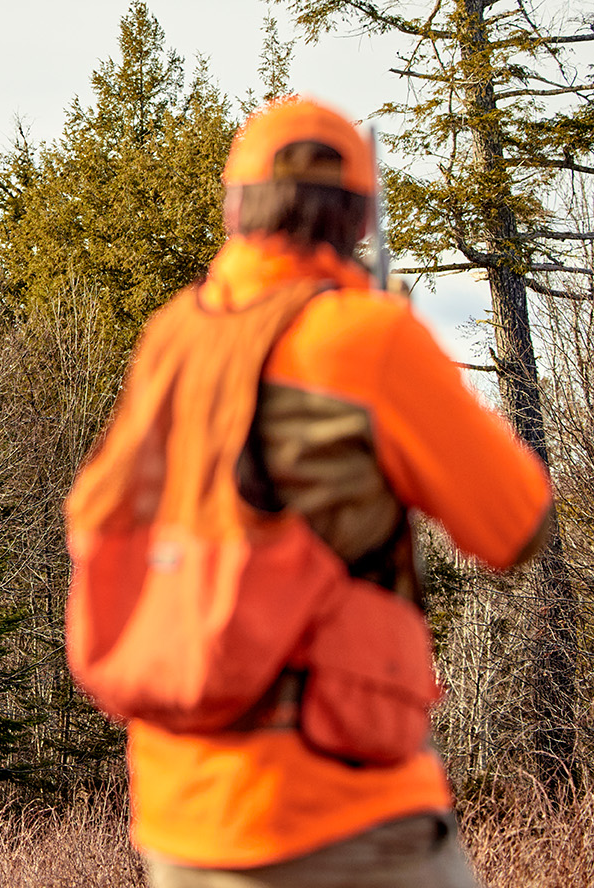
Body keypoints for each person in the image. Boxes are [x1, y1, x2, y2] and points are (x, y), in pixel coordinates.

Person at [64, 96, 553, 887]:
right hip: (341, 807)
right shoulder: (369, 336)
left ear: (234, 209)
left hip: (180, 817)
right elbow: (516, 525)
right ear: (359, 219)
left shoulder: (171, 337)